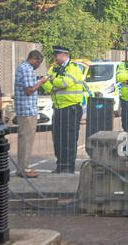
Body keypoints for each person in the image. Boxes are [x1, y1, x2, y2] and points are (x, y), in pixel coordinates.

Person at [40, 45, 85, 173]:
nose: (54, 57)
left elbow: (65, 83)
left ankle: (69, 166)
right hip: (58, 109)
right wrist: (54, 86)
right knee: (58, 138)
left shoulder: (74, 68)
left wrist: (55, 81)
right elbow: (46, 84)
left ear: (64, 55)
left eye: (56, 55)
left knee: (69, 138)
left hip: (71, 109)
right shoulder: (54, 68)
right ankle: (60, 165)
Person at [13, 50, 44, 178]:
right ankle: (23, 169)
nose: (38, 66)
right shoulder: (27, 69)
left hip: (26, 110)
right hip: (27, 111)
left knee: (25, 139)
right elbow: (29, 90)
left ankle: (23, 167)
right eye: (39, 63)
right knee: (27, 140)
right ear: (34, 58)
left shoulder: (23, 67)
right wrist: (42, 81)